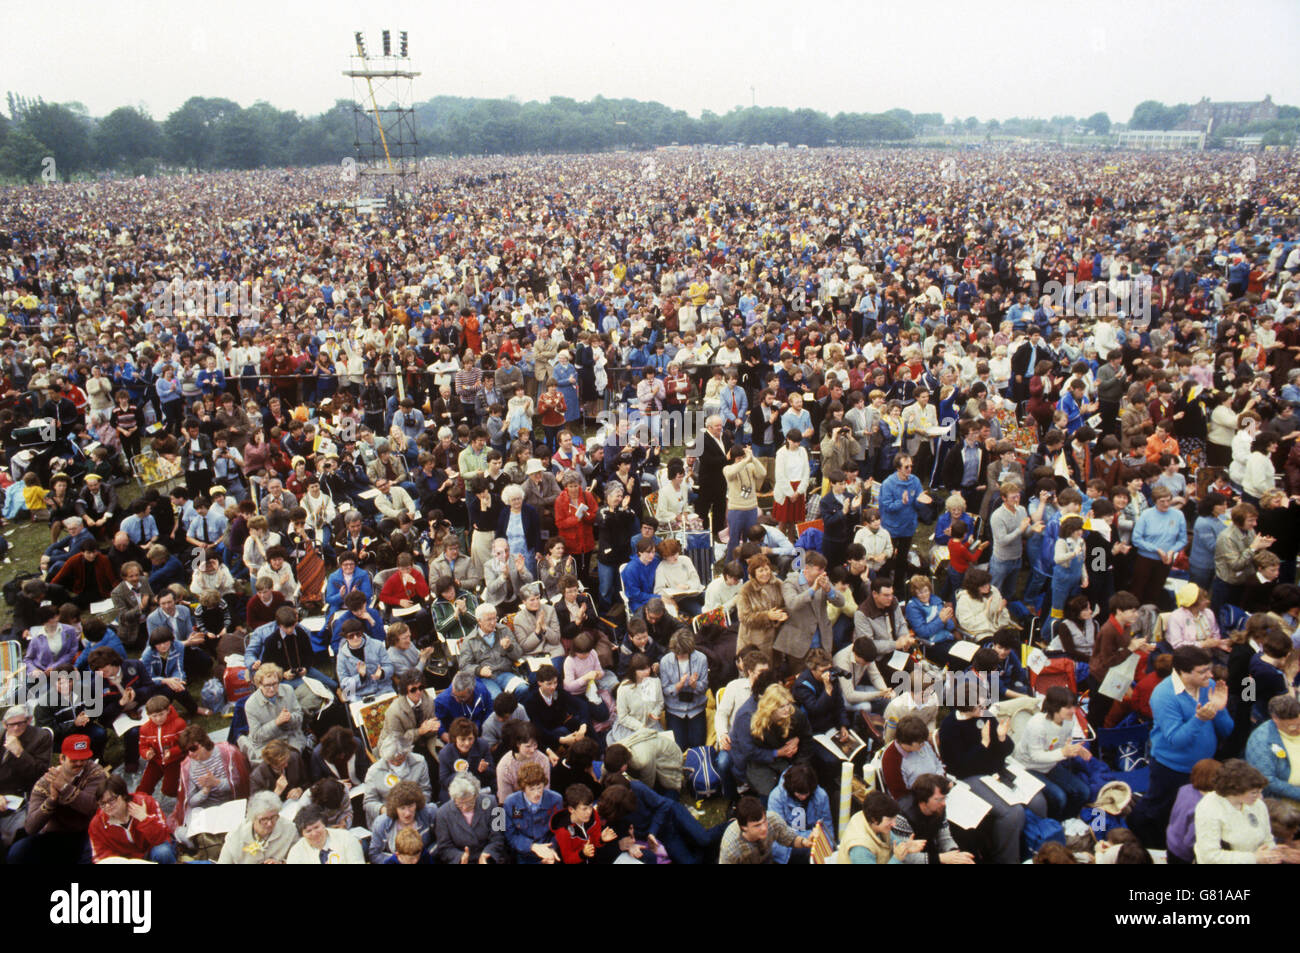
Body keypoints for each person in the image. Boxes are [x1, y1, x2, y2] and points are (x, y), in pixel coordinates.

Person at [1129, 645, 1234, 849]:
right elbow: (1176, 740)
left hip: (1202, 766)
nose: (1210, 674)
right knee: (1156, 810)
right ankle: (1143, 840)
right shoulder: (1163, 695)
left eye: (1209, 669)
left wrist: (1219, 709)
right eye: (1202, 671)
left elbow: (1227, 730)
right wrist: (1199, 719)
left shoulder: (1209, 685)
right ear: (1183, 672)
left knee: (1190, 811)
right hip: (1171, 768)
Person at [7, 734, 107, 865]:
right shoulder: (44, 783)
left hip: (88, 832)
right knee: (18, 851)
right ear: (62, 758)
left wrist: (64, 787)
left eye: (83, 759)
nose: (79, 763)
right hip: (57, 835)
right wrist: (52, 800)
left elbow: (92, 807)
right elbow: (31, 827)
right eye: (74, 760)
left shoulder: (95, 772)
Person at [1194, 759, 1297, 864]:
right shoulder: (1209, 808)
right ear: (1235, 790)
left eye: (1260, 792)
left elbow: (1267, 839)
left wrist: (1273, 853)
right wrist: (1254, 858)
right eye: (1254, 793)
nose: (1259, 797)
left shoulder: (1257, 804)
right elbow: (1210, 856)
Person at [1013, 686, 1093, 820]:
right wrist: (1063, 752)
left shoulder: (1069, 721)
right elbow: (1035, 756)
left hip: (1050, 764)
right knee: (1059, 797)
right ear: (1055, 707)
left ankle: (1068, 821)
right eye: (1068, 707)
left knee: (1083, 792)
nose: (1073, 711)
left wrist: (1075, 749)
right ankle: (1053, 823)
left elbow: (1061, 744)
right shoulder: (1037, 725)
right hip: (1028, 767)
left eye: (1074, 706)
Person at [0, 706, 54, 852]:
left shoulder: (40, 737)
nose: (16, 728)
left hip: (19, 794)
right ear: (5, 724)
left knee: (18, 836)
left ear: (29, 720)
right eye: (12, 725)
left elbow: (39, 774)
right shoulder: (1, 734)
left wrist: (20, 753)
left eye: (21, 723)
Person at [88, 774, 175, 864]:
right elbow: (100, 856)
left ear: (124, 795)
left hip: (152, 849)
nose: (107, 806)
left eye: (111, 800)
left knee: (163, 852)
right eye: (102, 803)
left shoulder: (146, 802)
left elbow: (164, 837)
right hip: (125, 860)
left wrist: (145, 819)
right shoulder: (97, 823)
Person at [891, 773, 974, 865]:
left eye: (944, 798)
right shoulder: (901, 816)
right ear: (923, 799)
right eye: (938, 799)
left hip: (929, 851)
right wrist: (941, 858)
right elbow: (905, 857)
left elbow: (944, 838)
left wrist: (955, 855)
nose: (944, 803)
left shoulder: (939, 808)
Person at [434, 772, 508, 864]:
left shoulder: (492, 802)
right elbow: (444, 847)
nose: (465, 807)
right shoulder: (442, 813)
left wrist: (488, 853)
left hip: (489, 858)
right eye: (460, 804)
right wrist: (460, 857)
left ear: (476, 795)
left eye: (469, 802)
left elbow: (499, 836)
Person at [718, 795, 813, 864]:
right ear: (744, 827)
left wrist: (804, 842)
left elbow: (790, 838)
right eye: (757, 825)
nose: (764, 828)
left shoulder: (772, 819)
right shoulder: (731, 848)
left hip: (766, 858)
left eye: (764, 821)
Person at [838, 790, 927, 864]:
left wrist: (905, 846)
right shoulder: (860, 848)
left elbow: (894, 841)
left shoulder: (872, 820)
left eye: (894, 819)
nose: (894, 824)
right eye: (889, 820)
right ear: (874, 820)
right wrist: (896, 859)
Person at [1165, 758, 1222, 865]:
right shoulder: (1202, 807)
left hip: (1171, 839)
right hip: (1184, 853)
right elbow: (1190, 840)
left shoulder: (1185, 789)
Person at [1245, 694, 1300, 803]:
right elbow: (1267, 780)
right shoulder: (1261, 739)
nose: (1298, 729)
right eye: (1292, 727)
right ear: (1275, 719)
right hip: (1284, 804)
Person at [368, 780, 437, 865]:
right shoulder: (381, 824)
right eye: (402, 808)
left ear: (417, 804)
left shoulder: (430, 812)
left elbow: (441, 841)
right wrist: (399, 860)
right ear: (395, 808)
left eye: (411, 806)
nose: (407, 813)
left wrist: (421, 857)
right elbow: (374, 854)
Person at [217, 790, 296, 864]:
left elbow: (300, 858)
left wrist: (282, 863)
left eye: (273, 817)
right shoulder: (235, 837)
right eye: (264, 819)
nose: (269, 823)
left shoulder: (289, 829)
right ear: (252, 818)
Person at [287, 803, 365, 864]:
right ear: (302, 834)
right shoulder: (296, 853)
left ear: (324, 824)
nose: (314, 834)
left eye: (316, 827)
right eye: (308, 831)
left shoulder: (346, 837)